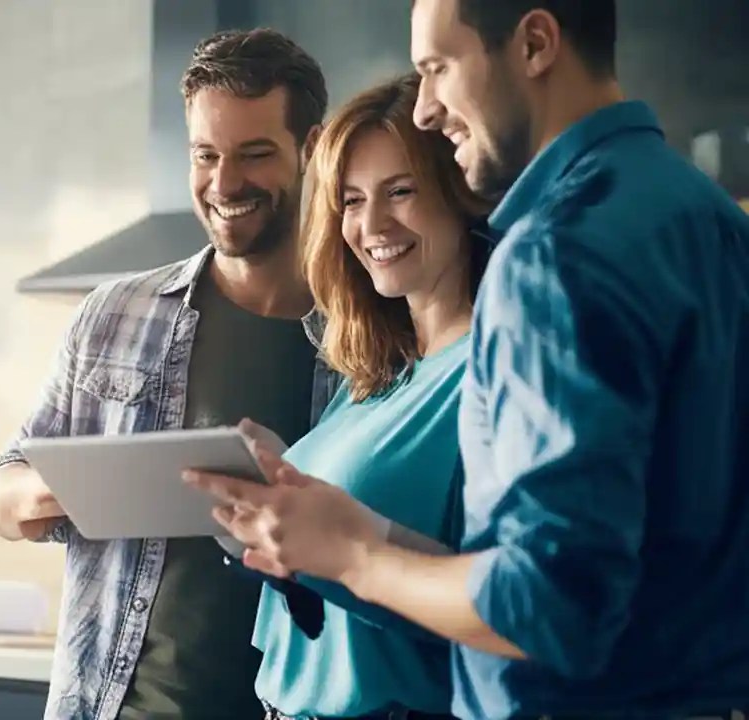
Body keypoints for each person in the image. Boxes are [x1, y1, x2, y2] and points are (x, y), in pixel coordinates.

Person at [187, 1, 749, 718]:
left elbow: (547, 603)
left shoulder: (554, 252)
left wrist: (358, 554)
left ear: (536, 43)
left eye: (437, 69)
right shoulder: (712, 218)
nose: (426, 109)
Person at [0, 29, 336, 719]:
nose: (224, 184)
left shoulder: (368, 335)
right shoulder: (114, 315)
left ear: (312, 148)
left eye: (254, 155)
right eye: (205, 156)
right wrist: (56, 486)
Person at [244, 73, 491, 720]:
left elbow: (514, 606)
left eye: (400, 191)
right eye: (351, 200)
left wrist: (348, 547)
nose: (371, 224)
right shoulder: (375, 372)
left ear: (461, 192)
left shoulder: (495, 370)